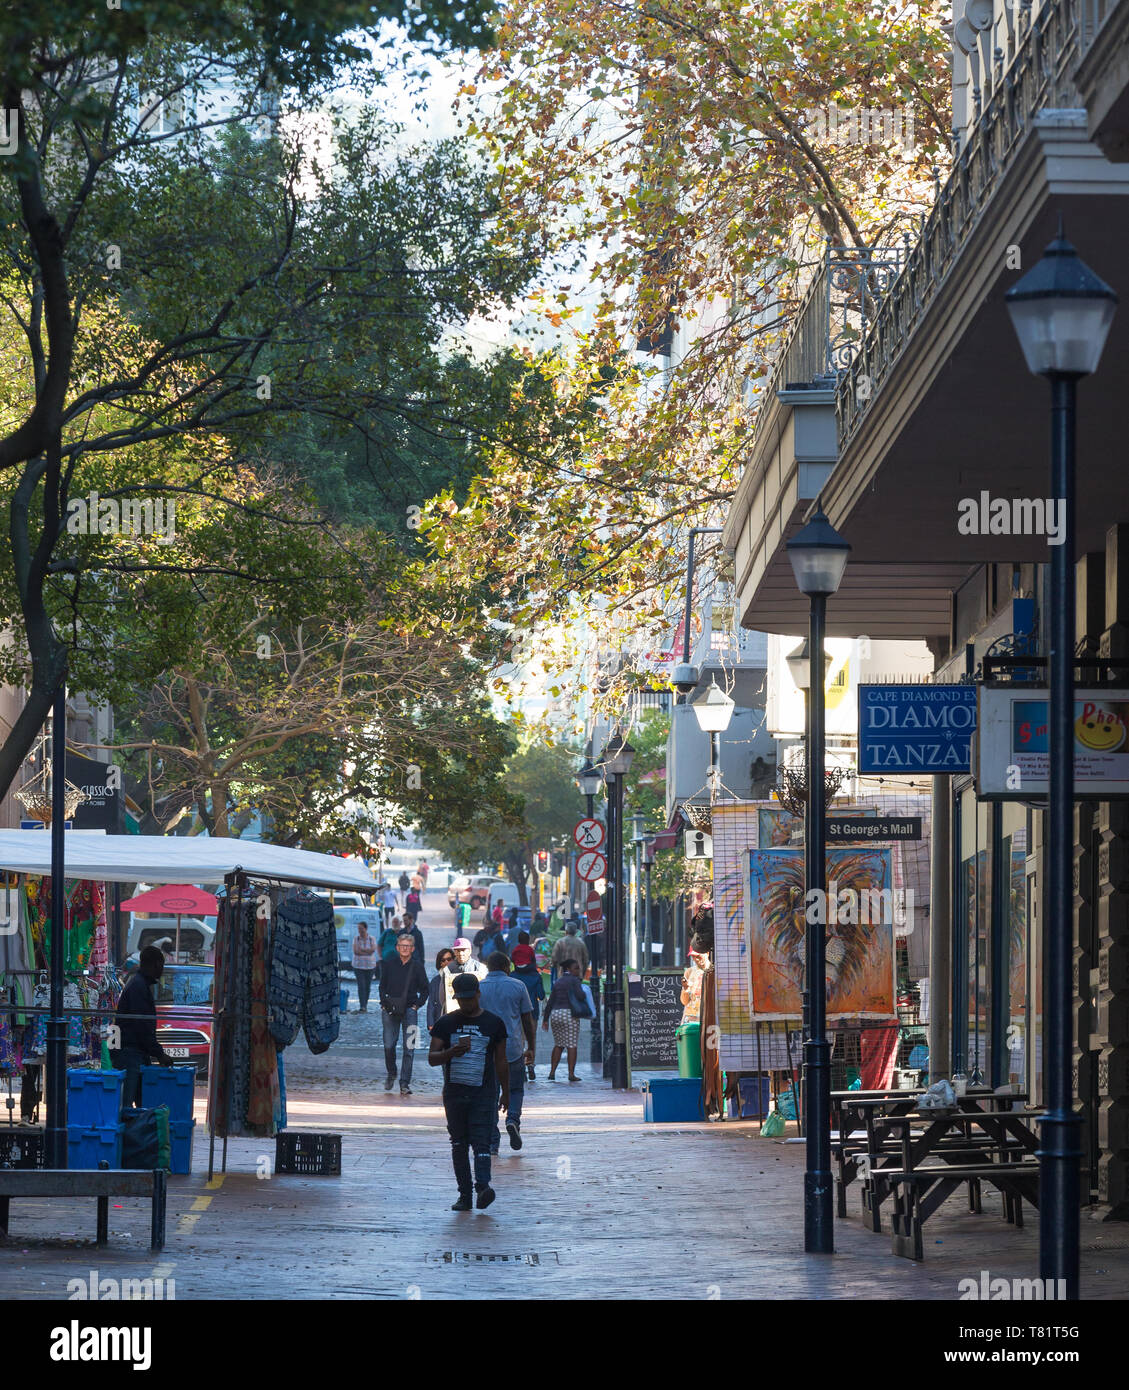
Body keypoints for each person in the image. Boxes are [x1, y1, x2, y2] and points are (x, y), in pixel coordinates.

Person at [429, 973, 509, 1210]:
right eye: (462, 1000)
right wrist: (450, 1052)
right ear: (456, 998)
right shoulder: (446, 1023)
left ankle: (483, 1187)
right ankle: (464, 1195)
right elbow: (432, 1058)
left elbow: (501, 1061)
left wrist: (506, 1092)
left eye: (470, 999)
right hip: (454, 1094)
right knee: (459, 1144)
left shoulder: (494, 1024)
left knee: (482, 1142)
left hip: (483, 1093)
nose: (466, 1004)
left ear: (478, 995)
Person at [479, 952, 534, 1153]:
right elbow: (527, 1020)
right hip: (513, 1048)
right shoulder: (518, 986)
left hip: (487, 1049)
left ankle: (493, 1142)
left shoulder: (479, 987)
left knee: (490, 1093)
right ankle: (512, 1119)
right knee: (516, 1089)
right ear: (506, 966)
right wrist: (531, 1046)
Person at [111, 946, 176, 1107]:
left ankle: (136, 1130)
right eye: (161, 965)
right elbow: (142, 1027)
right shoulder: (138, 987)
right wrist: (159, 1053)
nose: (162, 969)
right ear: (156, 964)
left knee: (142, 1102)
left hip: (135, 1052)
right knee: (126, 1103)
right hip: (130, 1053)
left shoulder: (139, 985)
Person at [378, 931, 430, 1095]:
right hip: (390, 1010)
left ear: (413, 949)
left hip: (410, 1011)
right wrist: (384, 1003)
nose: (405, 948)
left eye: (408, 946)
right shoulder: (388, 964)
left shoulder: (418, 967)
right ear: (397, 947)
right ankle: (391, 1072)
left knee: (410, 1047)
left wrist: (417, 1005)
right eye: (402, 945)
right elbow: (382, 986)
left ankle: (404, 1082)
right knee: (388, 1045)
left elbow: (425, 989)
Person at [542, 959, 588, 1082]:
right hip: (569, 1014)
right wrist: (584, 993)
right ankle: (571, 1074)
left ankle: (552, 1072)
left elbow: (551, 1001)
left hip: (556, 1014)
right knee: (572, 1045)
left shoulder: (558, 981)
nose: (578, 970)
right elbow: (580, 996)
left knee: (559, 1044)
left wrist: (545, 1019)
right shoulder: (574, 980)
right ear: (568, 969)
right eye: (576, 968)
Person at [510, 934, 544, 1081]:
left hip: (515, 1012)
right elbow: (541, 995)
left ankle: (520, 1068)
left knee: (519, 1040)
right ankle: (530, 1065)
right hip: (532, 1012)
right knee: (531, 1039)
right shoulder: (536, 976)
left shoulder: (511, 977)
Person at [441, 937, 488, 1013]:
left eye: (463, 950)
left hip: (477, 1010)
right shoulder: (448, 969)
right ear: (454, 952)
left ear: (470, 951)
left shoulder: (480, 968)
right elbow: (443, 994)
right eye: (457, 951)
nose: (460, 953)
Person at [681, 933, 710, 1024]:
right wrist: (685, 989)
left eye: (698, 956)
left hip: (707, 1019)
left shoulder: (713, 972)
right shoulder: (689, 972)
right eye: (693, 956)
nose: (696, 959)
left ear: (707, 953)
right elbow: (684, 1002)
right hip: (690, 1020)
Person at [352, 922, 379, 1012]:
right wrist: (367, 951)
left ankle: (365, 1004)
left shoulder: (371, 939)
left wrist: (362, 950)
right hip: (358, 966)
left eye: (361, 928)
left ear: (365, 928)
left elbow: (373, 950)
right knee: (361, 986)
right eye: (358, 929)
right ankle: (362, 1006)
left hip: (370, 966)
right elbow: (356, 951)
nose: (360, 931)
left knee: (367, 986)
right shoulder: (356, 939)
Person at [427, 947, 455, 1032]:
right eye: (443, 960)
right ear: (440, 963)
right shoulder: (435, 981)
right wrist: (430, 1023)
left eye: (449, 959)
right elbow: (431, 1003)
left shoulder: (460, 976)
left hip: (457, 1019)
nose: (446, 962)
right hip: (440, 1019)